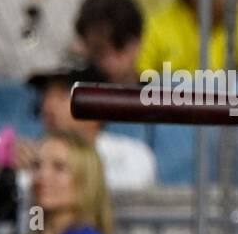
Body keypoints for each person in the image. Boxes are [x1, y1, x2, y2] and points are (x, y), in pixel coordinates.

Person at [24, 63, 158, 191]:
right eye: (45, 96)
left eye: (62, 95)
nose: (48, 106)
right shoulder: (30, 158)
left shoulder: (131, 155)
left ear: (98, 103)